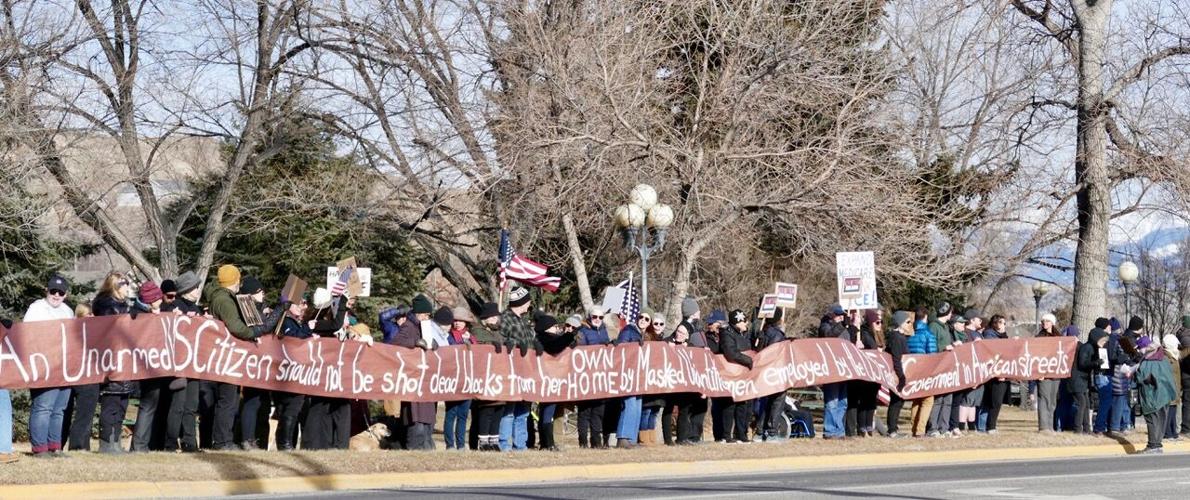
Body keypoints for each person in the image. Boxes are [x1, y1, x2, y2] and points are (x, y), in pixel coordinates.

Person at [22, 275, 76, 457]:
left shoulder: (68, 311)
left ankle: (55, 446)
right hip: (44, 366)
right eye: (53, 291)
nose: (56, 295)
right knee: (43, 407)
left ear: (65, 294)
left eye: (60, 292)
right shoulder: (36, 309)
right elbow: (27, 336)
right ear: (47, 291)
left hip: (64, 367)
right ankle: (40, 448)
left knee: (59, 409)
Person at [204, 264, 256, 450]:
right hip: (225, 357)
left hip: (224, 355)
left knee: (229, 399)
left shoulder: (220, 297)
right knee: (227, 401)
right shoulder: (225, 300)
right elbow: (234, 326)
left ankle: (224, 439)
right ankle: (222, 441)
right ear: (234, 281)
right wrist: (253, 333)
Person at [237, 277, 283, 450]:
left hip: (262, 362)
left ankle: (258, 440)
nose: (263, 293)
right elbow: (262, 328)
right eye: (259, 291)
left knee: (261, 402)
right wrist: (279, 308)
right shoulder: (246, 306)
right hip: (252, 361)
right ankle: (247, 439)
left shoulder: (260, 307)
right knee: (252, 401)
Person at [162, 271, 204, 452]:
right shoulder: (174, 306)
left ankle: (190, 443)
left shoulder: (197, 308)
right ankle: (170, 443)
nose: (197, 291)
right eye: (195, 288)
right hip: (179, 364)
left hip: (194, 364)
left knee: (191, 406)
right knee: (178, 405)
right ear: (186, 290)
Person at [394, 294, 438, 450]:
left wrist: (434, 344)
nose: (427, 317)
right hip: (413, 378)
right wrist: (415, 342)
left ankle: (426, 444)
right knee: (416, 416)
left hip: (424, 378)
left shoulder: (424, 326)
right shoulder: (408, 326)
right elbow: (396, 342)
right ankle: (415, 446)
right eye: (425, 314)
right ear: (419, 313)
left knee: (426, 415)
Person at [130, 281, 168, 452]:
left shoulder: (148, 311)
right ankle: (139, 445)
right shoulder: (138, 315)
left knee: (150, 405)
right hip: (146, 366)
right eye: (158, 298)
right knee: (147, 405)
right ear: (151, 300)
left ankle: (142, 444)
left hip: (154, 364)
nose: (161, 300)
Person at [498, 287, 536, 451]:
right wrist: (513, 343)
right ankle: (504, 444)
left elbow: (531, 341)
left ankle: (520, 445)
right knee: (509, 410)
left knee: (524, 411)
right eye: (527, 301)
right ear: (521, 302)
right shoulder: (505, 319)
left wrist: (536, 346)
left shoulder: (524, 320)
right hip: (511, 371)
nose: (529, 304)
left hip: (526, 372)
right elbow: (500, 339)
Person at [275, 293, 313, 450]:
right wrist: (309, 330)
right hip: (288, 371)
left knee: (290, 408)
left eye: (302, 303)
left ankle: (286, 442)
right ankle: (285, 443)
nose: (301, 306)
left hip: (294, 370)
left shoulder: (296, 321)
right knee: (291, 407)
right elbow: (293, 338)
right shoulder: (285, 320)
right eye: (298, 303)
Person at [536, 314, 574, 451]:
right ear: (546, 328)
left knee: (548, 411)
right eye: (554, 326)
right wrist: (569, 336)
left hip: (554, 379)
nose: (557, 328)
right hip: (547, 380)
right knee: (547, 412)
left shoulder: (550, 337)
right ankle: (547, 443)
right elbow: (555, 347)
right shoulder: (543, 338)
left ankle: (547, 443)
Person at [1134, 336, 1177, 454]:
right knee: (1161, 420)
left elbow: (1141, 378)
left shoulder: (1147, 362)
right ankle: (1157, 444)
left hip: (1152, 395)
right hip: (1165, 394)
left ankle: (1153, 445)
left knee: (1152, 420)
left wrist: (1132, 373)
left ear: (1145, 348)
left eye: (1140, 348)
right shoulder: (1164, 358)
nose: (1139, 351)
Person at [471, 302, 505, 450]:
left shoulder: (499, 332)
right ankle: (483, 441)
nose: (495, 319)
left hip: (499, 375)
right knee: (487, 409)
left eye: (496, 317)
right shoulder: (477, 331)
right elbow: (477, 346)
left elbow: (504, 344)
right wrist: (491, 344)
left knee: (498, 409)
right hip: (485, 376)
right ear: (485, 318)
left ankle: (494, 440)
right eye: (492, 317)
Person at [614, 308, 649, 448]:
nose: (643, 320)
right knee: (630, 404)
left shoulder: (645, 334)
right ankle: (623, 437)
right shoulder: (629, 330)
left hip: (640, 376)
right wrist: (634, 346)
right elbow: (621, 348)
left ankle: (632, 439)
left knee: (638, 405)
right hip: (628, 374)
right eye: (641, 317)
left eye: (647, 319)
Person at [575, 307, 609, 449]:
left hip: (601, 378)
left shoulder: (604, 330)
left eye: (600, 317)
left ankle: (596, 441)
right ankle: (583, 442)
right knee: (585, 412)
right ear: (589, 317)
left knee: (598, 412)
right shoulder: (583, 331)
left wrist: (611, 345)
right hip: (586, 378)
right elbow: (580, 351)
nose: (597, 319)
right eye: (595, 317)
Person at [444, 306, 477, 451]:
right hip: (452, 379)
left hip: (467, 380)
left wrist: (469, 343)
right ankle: (450, 445)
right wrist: (461, 344)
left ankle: (461, 445)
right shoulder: (448, 336)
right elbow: (449, 352)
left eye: (461, 321)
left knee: (463, 414)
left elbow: (478, 355)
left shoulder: (472, 338)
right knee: (451, 413)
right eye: (455, 320)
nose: (457, 323)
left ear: (466, 323)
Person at [755, 309, 789, 441]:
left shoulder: (762, 332)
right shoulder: (777, 335)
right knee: (777, 401)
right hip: (774, 372)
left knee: (765, 401)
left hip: (764, 372)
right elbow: (775, 353)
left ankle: (759, 431)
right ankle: (772, 432)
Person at [721, 309, 754, 443]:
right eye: (744, 321)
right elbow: (731, 353)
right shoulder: (727, 334)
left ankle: (741, 434)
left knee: (744, 405)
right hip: (732, 375)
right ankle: (726, 435)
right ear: (737, 322)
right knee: (730, 405)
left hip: (744, 375)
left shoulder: (745, 334)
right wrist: (749, 360)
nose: (746, 323)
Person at [818, 304, 850, 439]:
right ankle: (830, 431)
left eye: (841, 315)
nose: (840, 317)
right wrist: (841, 325)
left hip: (844, 368)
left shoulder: (843, 329)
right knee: (832, 401)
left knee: (843, 401)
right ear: (831, 314)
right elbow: (829, 335)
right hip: (831, 368)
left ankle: (839, 430)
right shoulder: (825, 326)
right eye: (838, 315)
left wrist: (852, 327)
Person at [1069, 327, 1107, 434]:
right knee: (1082, 403)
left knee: (1086, 404)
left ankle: (1086, 428)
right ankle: (1077, 428)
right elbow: (1082, 363)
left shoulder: (1093, 348)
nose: (1104, 343)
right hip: (1077, 379)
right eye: (1102, 340)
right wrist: (1096, 363)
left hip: (1083, 380)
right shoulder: (1086, 347)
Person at [906, 307, 936, 437]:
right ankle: (920, 430)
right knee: (928, 400)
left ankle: (914, 428)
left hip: (912, 369)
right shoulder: (928, 333)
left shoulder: (909, 332)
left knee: (917, 400)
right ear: (925, 317)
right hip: (925, 369)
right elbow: (932, 354)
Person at [926, 303, 955, 438]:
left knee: (947, 399)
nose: (951, 314)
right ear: (945, 313)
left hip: (948, 366)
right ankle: (933, 427)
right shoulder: (934, 326)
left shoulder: (946, 327)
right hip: (937, 366)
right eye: (950, 312)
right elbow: (931, 346)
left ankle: (944, 427)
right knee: (938, 399)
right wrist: (944, 347)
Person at [638, 313, 667, 446]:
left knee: (655, 411)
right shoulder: (647, 337)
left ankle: (651, 437)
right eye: (655, 323)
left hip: (659, 380)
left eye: (661, 324)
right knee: (646, 411)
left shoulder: (665, 340)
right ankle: (643, 438)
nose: (658, 326)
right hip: (648, 379)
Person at [1031, 313, 1062, 433]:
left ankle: (1050, 425)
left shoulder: (1059, 337)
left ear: (1052, 323)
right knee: (1044, 398)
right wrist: (1038, 372)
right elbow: (1035, 355)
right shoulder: (1039, 337)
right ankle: (1043, 427)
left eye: (1047, 321)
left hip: (1056, 372)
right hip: (1043, 372)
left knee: (1052, 400)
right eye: (1043, 321)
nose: (1045, 323)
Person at [885, 310, 913, 438]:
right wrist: (901, 376)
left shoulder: (901, 337)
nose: (909, 324)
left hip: (900, 372)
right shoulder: (896, 337)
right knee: (896, 401)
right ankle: (892, 430)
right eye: (907, 322)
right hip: (896, 374)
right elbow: (896, 359)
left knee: (899, 401)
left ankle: (893, 428)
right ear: (900, 323)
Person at [981, 315, 1011, 434]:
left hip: (1003, 371)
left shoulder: (1002, 335)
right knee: (994, 401)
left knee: (997, 402)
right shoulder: (989, 334)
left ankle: (990, 425)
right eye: (1001, 322)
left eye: (1004, 323)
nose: (1003, 325)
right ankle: (989, 426)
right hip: (994, 373)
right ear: (995, 323)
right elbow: (995, 350)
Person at [1162, 334, 1181, 440]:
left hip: (1175, 386)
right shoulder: (1166, 356)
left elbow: (1182, 353)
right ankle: (1167, 432)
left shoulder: (1174, 354)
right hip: (1169, 387)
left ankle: (1173, 432)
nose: (1177, 346)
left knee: (1173, 410)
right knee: (1169, 410)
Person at [1178, 315, 1190, 437]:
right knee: (1187, 401)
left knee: (1187, 401)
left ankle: (1186, 428)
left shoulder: (1181, 335)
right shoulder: (1187, 339)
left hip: (1184, 373)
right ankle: (1186, 428)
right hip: (1187, 373)